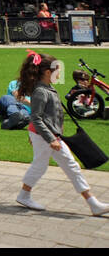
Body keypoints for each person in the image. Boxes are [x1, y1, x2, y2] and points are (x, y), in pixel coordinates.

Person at [15, 53, 109, 214]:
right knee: (44, 166)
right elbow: (36, 118)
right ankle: (24, 195)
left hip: (47, 136)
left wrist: (54, 134)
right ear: (46, 72)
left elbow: (46, 116)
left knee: (69, 165)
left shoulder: (47, 88)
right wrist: (51, 138)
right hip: (45, 136)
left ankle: (93, 203)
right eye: (57, 71)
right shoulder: (41, 92)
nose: (59, 74)